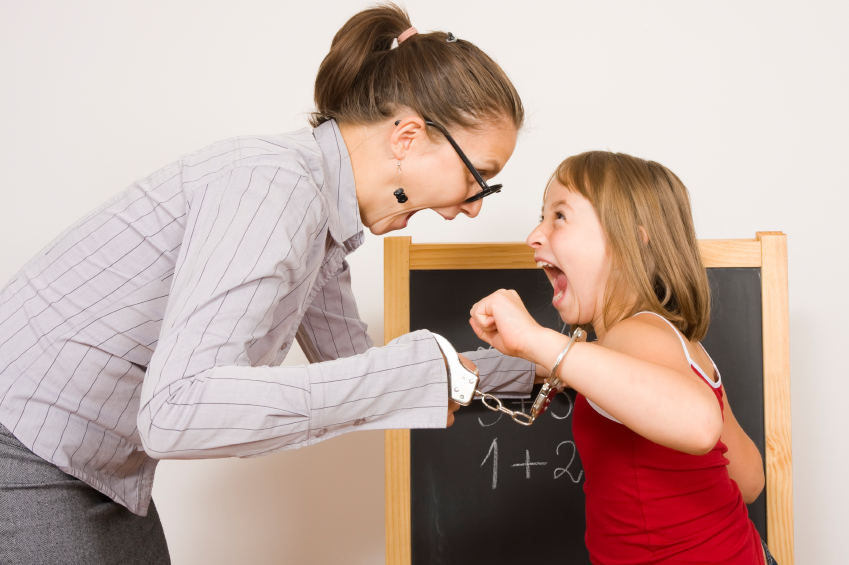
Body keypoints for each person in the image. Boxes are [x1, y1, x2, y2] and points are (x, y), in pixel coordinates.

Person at [0, 4, 537, 563]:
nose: (474, 208)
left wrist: (546, 365)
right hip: (24, 450)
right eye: (480, 178)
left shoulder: (321, 221)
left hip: (96, 469)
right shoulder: (275, 188)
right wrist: (412, 375)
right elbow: (177, 412)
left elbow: (353, 367)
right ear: (407, 137)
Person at [469, 151, 779, 564]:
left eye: (559, 216)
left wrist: (533, 338)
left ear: (631, 238)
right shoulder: (670, 344)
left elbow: (700, 424)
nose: (535, 235)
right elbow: (749, 479)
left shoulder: (634, 335)